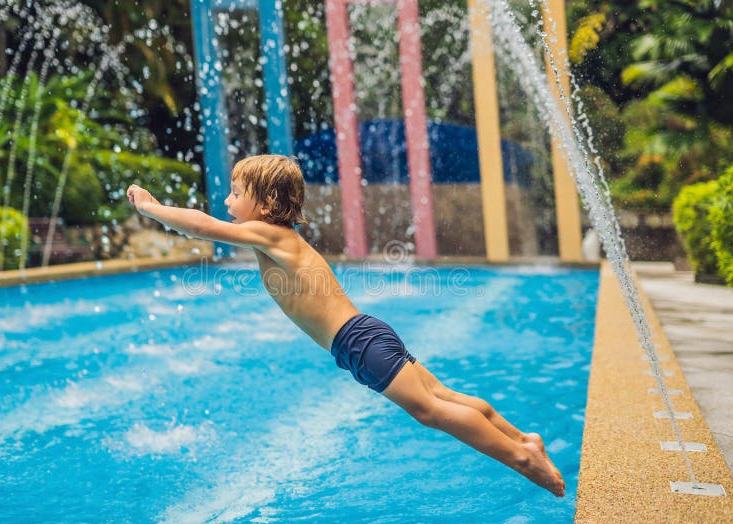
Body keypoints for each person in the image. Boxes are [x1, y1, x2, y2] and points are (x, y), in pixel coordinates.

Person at [126, 154, 565, 497]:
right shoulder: (277, 239)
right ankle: (524, 439)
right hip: (366, 332)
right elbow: (210, 226)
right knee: (443, 396)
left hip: (358, 342)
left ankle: (519, 459)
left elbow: (206, 227)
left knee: (429, 410)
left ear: (266, 204)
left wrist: (153, 208)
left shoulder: (272, 234)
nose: (227, 201)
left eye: (235, 192)